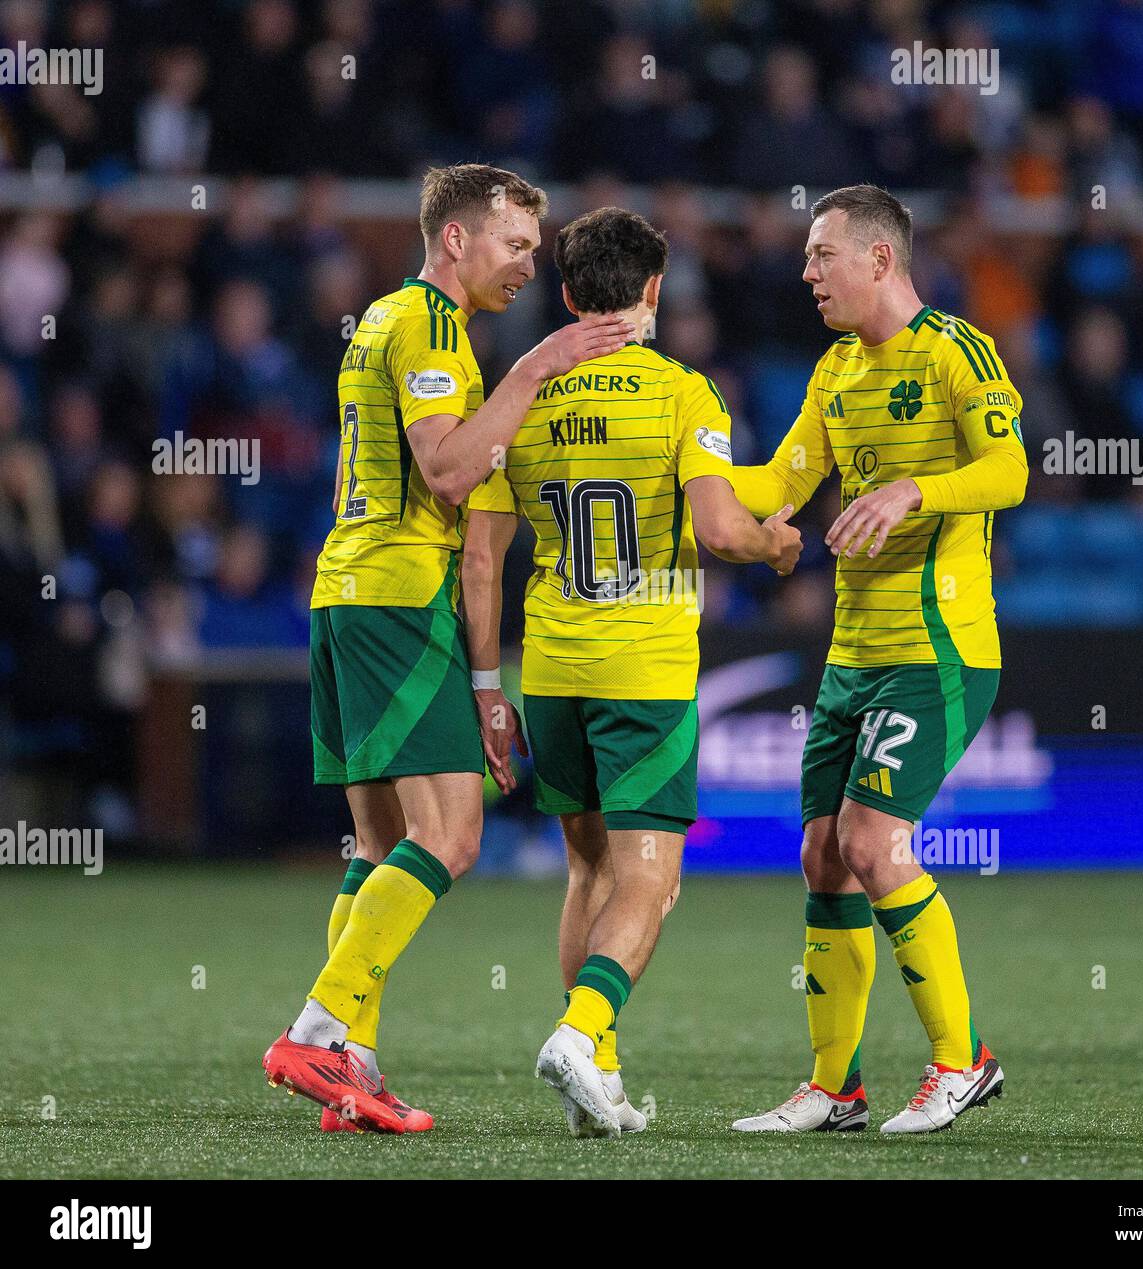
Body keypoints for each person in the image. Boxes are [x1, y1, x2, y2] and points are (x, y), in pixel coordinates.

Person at [260, 164, 633, 1134]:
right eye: (514, 245)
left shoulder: (390, 324)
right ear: (455, 240)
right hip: (394, 594)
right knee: (451, 836)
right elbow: (450, 466)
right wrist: (536, 369)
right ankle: (314, 1031)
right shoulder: (428, 325)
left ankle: (352, 1063)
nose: (527, 265)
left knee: (379, 845)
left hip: (345, 594)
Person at [461, 207, 802, 1136]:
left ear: (569, 295)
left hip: (554, 667)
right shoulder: (683, 392)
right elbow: (723, 529)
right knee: (651, 877)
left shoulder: (519, 397)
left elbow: (482, 559)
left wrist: (489, 688)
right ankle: (581, 1030)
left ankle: (599, 1076)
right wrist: (775, 547)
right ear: (654, 291)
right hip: (643, 665)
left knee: (586, 865)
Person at [728, 184, 1026, 1135]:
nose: (807, 271)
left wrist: (913, 489)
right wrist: (683, 466)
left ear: (881, 260)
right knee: (823, 855)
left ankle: (963, 1059)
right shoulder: (834, 373)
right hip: (852, 654)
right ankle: (835, 1088)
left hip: (937, 647)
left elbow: (1011, 469)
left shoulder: (955, 350)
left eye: (822, 255)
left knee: (870, 842)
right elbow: (779, 481)